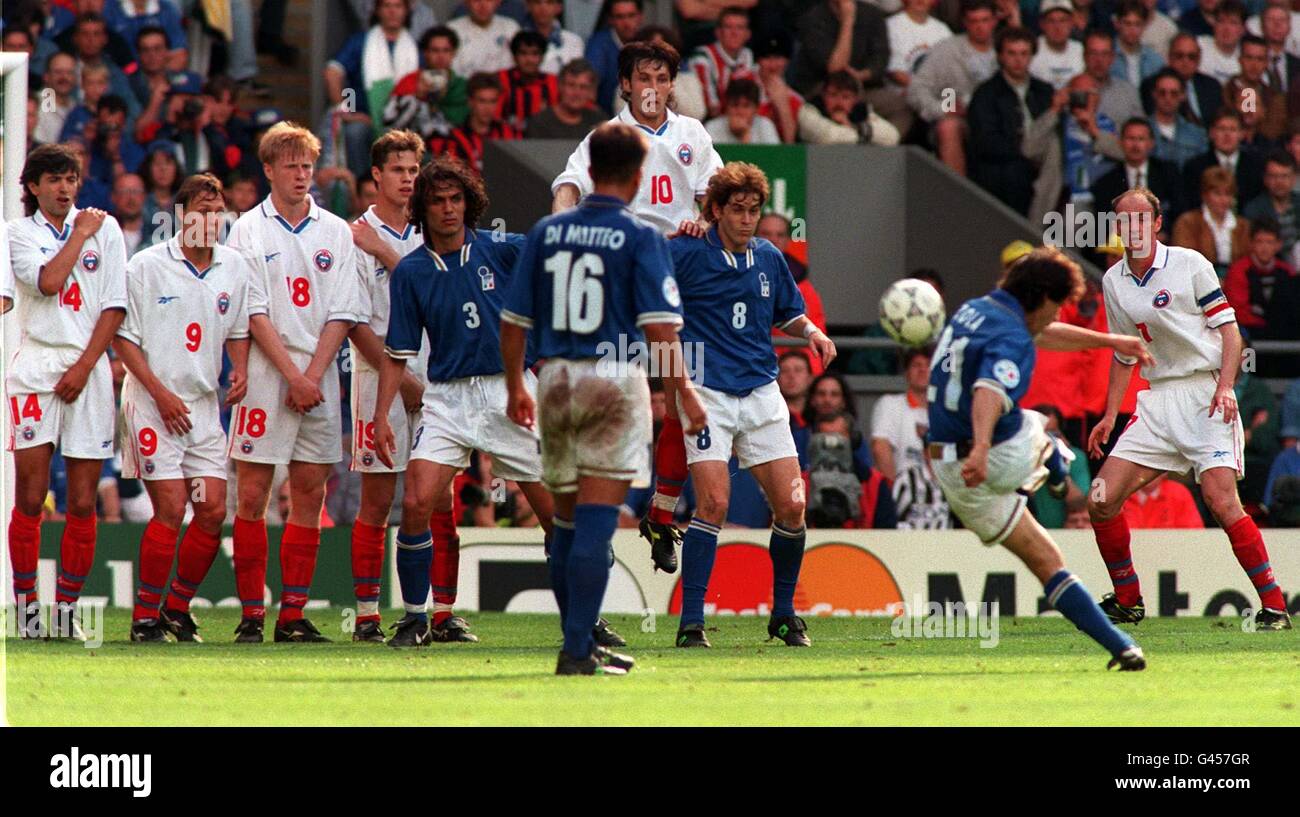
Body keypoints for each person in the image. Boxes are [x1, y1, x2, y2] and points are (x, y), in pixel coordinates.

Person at [501, 122, 706, 674]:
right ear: (639, 177)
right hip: (613, 377)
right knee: (596, 518)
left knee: (564, 522)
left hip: (554, 378)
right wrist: (684, 395)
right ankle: (575, 650)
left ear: (588, 171)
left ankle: (579, 642)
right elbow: (662, 330)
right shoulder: (642, 238)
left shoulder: (547, 231)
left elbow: (513, 319)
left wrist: (518, 384)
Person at [928, 246, 1151, 669]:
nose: (1058, 315)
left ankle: (1122, 647)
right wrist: (980, 448)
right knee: (1039, 423)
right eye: (1058, 306)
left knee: (1046, 561)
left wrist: (1111, 340)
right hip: (993, 454)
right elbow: (988, 393)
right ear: (1044, 299)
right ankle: (1053, 465)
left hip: (951, 472)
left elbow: (1043, 334)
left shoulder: (978, 310)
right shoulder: (1012, 336)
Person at [1087, 187, 1292, 630]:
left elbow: (1231, 334)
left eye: (1141, 218)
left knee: (1221, 501)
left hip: (1204, 395)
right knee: (1100, 500)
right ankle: (1128, 600)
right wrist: (1109, 415)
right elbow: (1126, 353)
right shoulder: (1113, 281)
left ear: (1157, 224)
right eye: (1123, 220)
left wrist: (1225, 387)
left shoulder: (1189, 264)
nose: (1133, 227)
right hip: (1157, 401)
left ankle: (1274, 605)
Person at [662, 162, 837, 648]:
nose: (746, 219)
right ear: (715, 209)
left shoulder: (768, 257)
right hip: (706, 393)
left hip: (761, 392)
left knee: (793, 505)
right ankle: (691, 622)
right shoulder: (685, 252)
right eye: (736, 209)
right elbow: (647, 295)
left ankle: (783, 615)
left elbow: (789, 312)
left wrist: (813, 333)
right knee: (713, 502)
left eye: (754, 210)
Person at [224, 122, 360, 644]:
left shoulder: (336, 231)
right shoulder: (247, 231)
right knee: (254, 493)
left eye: (307, 165)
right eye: (291, 165)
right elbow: (252, 311)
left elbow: (344, 310)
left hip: (319, 377)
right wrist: (292, 377)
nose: (302, 174)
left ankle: (293, 615)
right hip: (265, 375)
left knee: (309, 493)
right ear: (269, 170)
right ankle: (252, 615)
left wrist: (312, 376)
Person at [111, 173, 251, 643]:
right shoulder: (147, 266)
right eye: (202, 212)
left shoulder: (234, 266)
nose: (211, 220)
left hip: (202, 408)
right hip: (152, 402)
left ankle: (176, 606)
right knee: (171, 509)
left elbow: (237, 331)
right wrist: (161, 394)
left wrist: (241, 370)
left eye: (218, 212)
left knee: (211, 511)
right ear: (181, 215)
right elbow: (123, 339)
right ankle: (143, 619)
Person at [6, 143, 128, 640]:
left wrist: (85, 365)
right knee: (32, 496)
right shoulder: (17, 233)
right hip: (37, 366)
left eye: (71, 178)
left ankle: (67, 610)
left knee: (82, 500)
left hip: (90, 367)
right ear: (33, 186)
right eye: (54, 179)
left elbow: (114, 306)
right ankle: (28, 606)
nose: (64, 188)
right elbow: (50, 281)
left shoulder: (110, 228)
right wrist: (79, 235)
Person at [342, 131, 427, 643]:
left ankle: (439, 613)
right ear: (376, 175)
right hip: (378, 379)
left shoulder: (429, 229)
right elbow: (353, 321)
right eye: (398, 170)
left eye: (414, 171)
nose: (408, 179)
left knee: (437, 499)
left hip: (436, 377)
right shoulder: (355, 236)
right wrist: (402, 384)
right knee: (377, 499)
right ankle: (368, 614)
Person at [552, 39, 723, 234]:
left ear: (671, 85)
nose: (653, 88)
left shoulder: (692, 131)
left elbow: (714, 194)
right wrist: (561, 229)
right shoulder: (606, 136)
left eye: (661, 79)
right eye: (644, 79)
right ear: (626, 84)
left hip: (680, 245)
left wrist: (701, 224)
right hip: (625, 244)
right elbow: (568, 188)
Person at [966, 26, 1056, 216]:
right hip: (1008, 161)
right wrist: (1023, 154)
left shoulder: (1045, 91)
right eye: (1012, 53)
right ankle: (1033, 228)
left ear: (1032, 56)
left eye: (1024, 53)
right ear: (1000, 56)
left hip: (1044, 155)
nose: (1018, 60)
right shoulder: (986, 94)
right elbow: (986, 142)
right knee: (1014, 174)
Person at [907, 0, 999, 175]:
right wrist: (943, 109)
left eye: (985, 20)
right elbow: (917, 90)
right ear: (965, 22)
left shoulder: (1006, 48)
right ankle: (957, 197)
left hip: (1000, 120)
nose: (980, 27)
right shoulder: (947, 49)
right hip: (962, 120)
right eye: (974, 21)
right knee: (948, 127)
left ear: (994, 21)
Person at [384, 26, 471, 144]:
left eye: (446, 50)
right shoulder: (409, 81)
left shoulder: (462, 86)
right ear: (425, 53)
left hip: (455, 147)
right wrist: (416, 98)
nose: (441, 56)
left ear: (454, 53)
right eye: (435, 50)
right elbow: (390, 125)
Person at [1091, 117, 1184, 223]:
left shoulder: (1168, 173)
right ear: (1120, 142)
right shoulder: (1105, 183)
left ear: (1151, 143)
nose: (1135, 145)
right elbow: (1103, 224)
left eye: (1141, 139)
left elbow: (1180, 212)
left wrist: (1163, 234)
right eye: (1130, 138)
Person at [431, 73, 524, 174]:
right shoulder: (455, 139)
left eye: (492, 101)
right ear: (470, 102)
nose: (487, 108)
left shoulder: (511, 135)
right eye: (482, 101)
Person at [1172, 165, 1251, 274]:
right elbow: (1185, 261)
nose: (1223, 200)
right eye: (1217, 194)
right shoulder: (1188, 222)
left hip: (1234, 283)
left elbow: (1247, 263)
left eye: (1228, 194)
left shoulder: (1243, 226)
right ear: (1205, 195)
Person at [1181, 109, 1265, 211]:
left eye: (1232, 129)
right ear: (1211, 133)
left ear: (1242, 134)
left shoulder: (1255, 165)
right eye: (1221, 129)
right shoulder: (1195, 167)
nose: (1227, 135)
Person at [870, 346, 930, 483]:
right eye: (916, 365)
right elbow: (880, 447)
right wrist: (894, 492)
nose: (923, 370)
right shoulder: (889, 404)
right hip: (902, 495)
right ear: (906, 373)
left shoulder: (946, 412)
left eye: (928, 365)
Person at [1141, 33, 1224, 128]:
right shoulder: (1153, 85)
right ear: (1169, 57)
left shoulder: (1212, 86)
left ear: (1199, 59)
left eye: (1191, 57)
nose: (1185, 62)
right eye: (1179, 56)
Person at [688, 5, 755, 119]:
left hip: (739, 120)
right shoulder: (702, 57)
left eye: (740, 28)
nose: (734, 33)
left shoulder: (747, 55)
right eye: (728, 27)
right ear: (718, 32)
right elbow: (711, 108)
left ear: (748, 34)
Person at [585, 0, 644, 113]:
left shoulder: (648, 41)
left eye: (631, 15)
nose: (626, 23)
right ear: (610, 20)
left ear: (640, 16)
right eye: (620, 17)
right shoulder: (598, 45)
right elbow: (589, 88)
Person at [1146, 68, 1210, 170]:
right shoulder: (1141, 131)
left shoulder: (1197, 134)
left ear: (1183, 95)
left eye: (1174, 93)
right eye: (1162, 93)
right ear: (1154, 94)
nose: (1168, 98)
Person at [1241, 150, 1300, 260]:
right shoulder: (1253, 210)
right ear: (1265, 179)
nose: (1279, 182)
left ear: (1294, 178)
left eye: (1285, 176)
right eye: (1273, 176)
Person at [496, 30, 560, 130]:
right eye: (523, 53)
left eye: (535, 54)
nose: (529, 60)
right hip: (505, 141)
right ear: (514, 57)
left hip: (544, 141)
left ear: (542, 57)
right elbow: (493, 117)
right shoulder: (500, 79)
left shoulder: (553, 83)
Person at [525, 59, 605, 138]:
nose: (576, 93)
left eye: (583, 87)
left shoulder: (599, 122)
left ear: (590, 91)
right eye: (571, 85)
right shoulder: (540, 123)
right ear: (560, 86)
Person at [449, 0, 522, 77]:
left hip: (506, 86)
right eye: (476, 1)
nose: (483, 6)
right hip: (466, 86)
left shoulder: (511, 27)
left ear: (498, 2)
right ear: (466, 2)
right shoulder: (452, 30)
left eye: (489, 0)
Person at [705, 76, 781, 144]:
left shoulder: (765, 126)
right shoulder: (712, 127)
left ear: (756, 109)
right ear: (727, 107)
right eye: (735, 105)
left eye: (746, 106)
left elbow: (775, 157)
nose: (740, 111)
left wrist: (745, 134)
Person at [1031, 0, 1085, 89]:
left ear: (1071, 23)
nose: (1057, 27)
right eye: (1051, 21)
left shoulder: (1080, 50)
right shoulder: (1031, 49)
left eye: (1063, 20)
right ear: (1042, 24)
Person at [523, 0, 585, 75]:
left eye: (549, 2)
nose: (543, 8)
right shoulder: (516, 38)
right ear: (528, 6)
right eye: (537, 2)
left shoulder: (574, 41)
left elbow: (576, 77)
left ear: (559, 7)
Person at [1198, 0, 1247, 85]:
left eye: (1233, 23)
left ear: (1243, 29)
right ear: (1214, 24)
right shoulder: (1199, 46)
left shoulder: (1247, 56)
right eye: (1221, 21)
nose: (1226, 28)